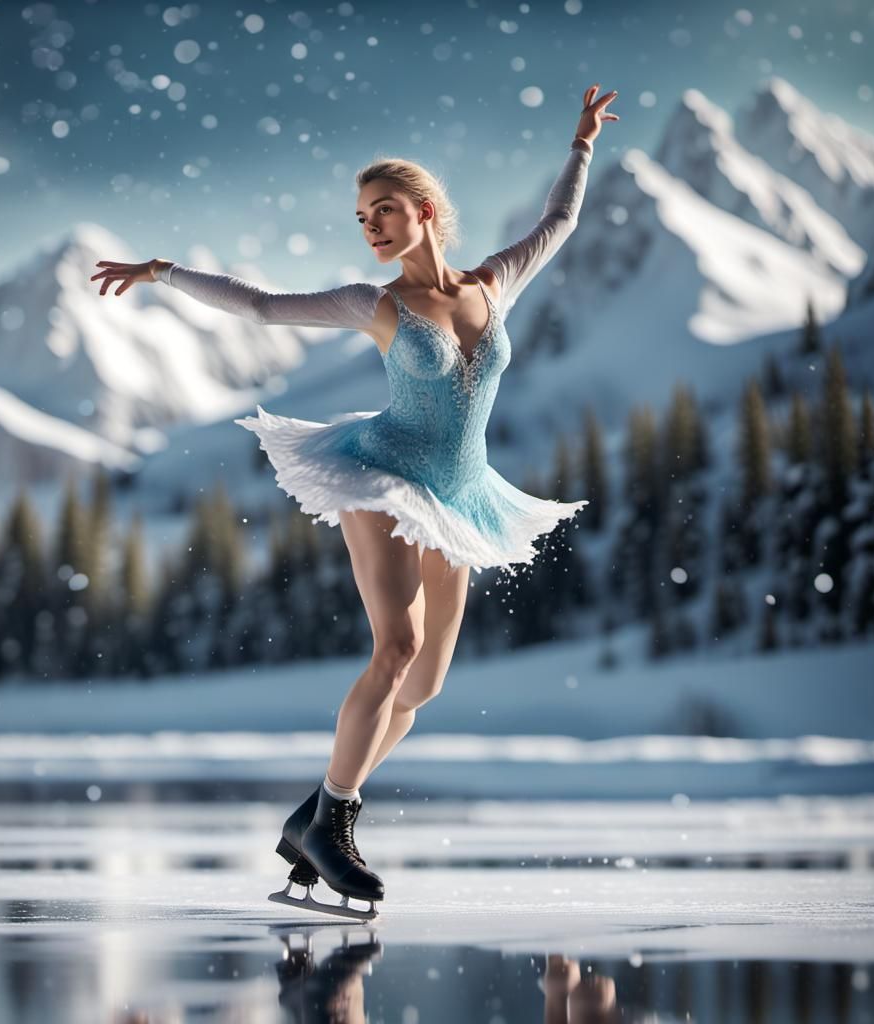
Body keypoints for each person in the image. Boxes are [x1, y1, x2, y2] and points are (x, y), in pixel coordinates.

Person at [92, 84, 619, 917]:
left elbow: (559, 225)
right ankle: (335, 825)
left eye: (382, 211)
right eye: (362, 218)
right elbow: (263, 307)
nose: (370, 227)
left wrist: (581, 144)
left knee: (423, 691)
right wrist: (161, 270)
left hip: (460, 496)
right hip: (381, 476)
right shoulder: (378, 306)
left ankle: (313, 812)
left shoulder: (492, 285)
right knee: (396, 648)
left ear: (424, 211)